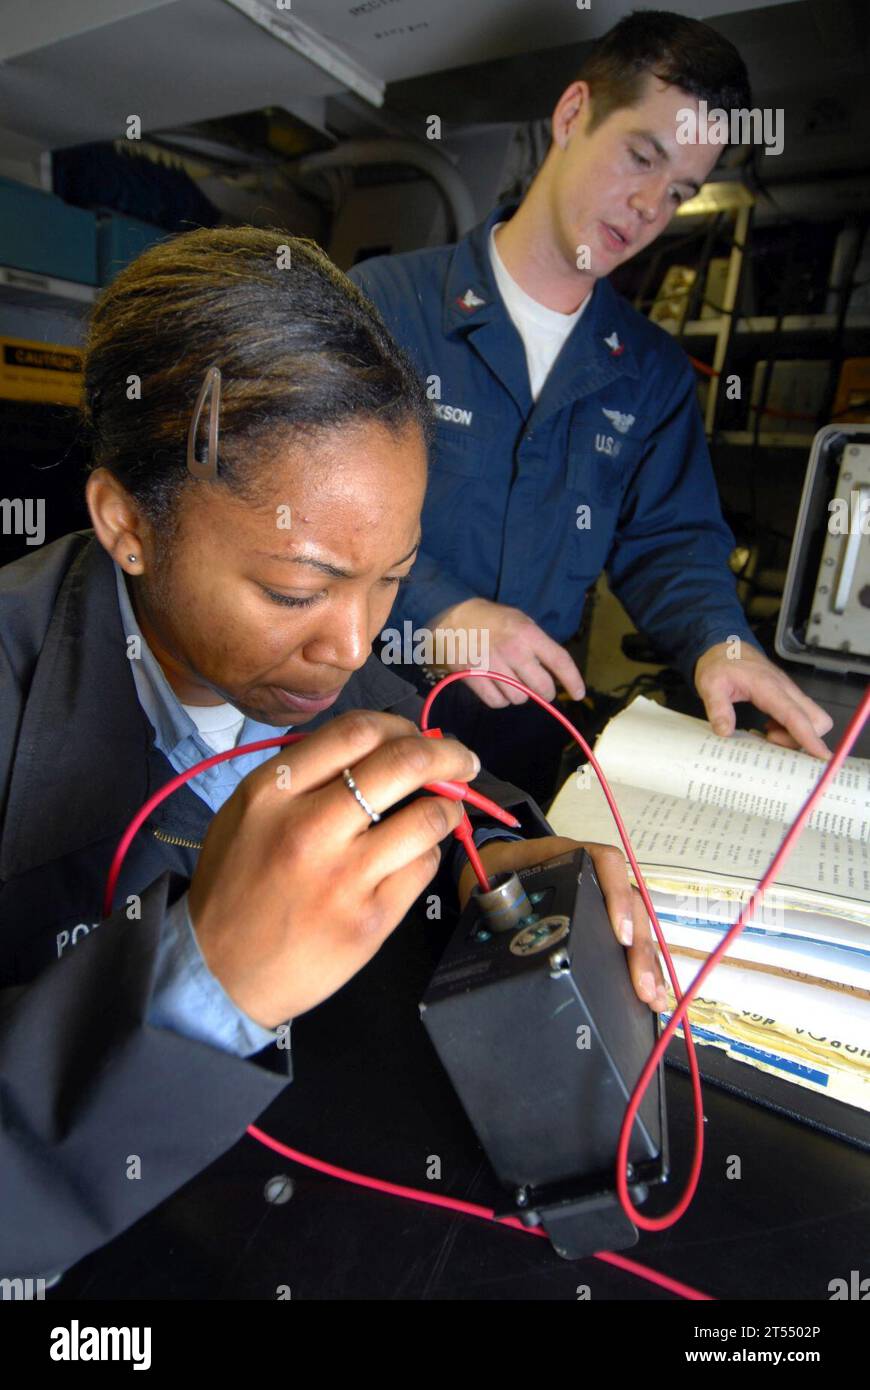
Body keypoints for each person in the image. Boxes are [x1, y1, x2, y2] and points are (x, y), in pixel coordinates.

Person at [0, 227, 666, 1279]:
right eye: (297, 591)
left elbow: (436, 765)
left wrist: (512, 853)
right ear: (127, 524)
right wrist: (203, 982)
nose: (354, 644)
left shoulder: (338, 669)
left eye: (392, 577)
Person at [348, 9, 833, 801]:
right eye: (641, 156)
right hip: (364, 722)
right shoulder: (384, 306)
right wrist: (440, 614)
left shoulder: (650, 375)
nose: (648, 206)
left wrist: (722, 645)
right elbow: (299, 519)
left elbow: (670, 543)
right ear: (572, 115)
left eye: (679, 191)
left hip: (525, 753)